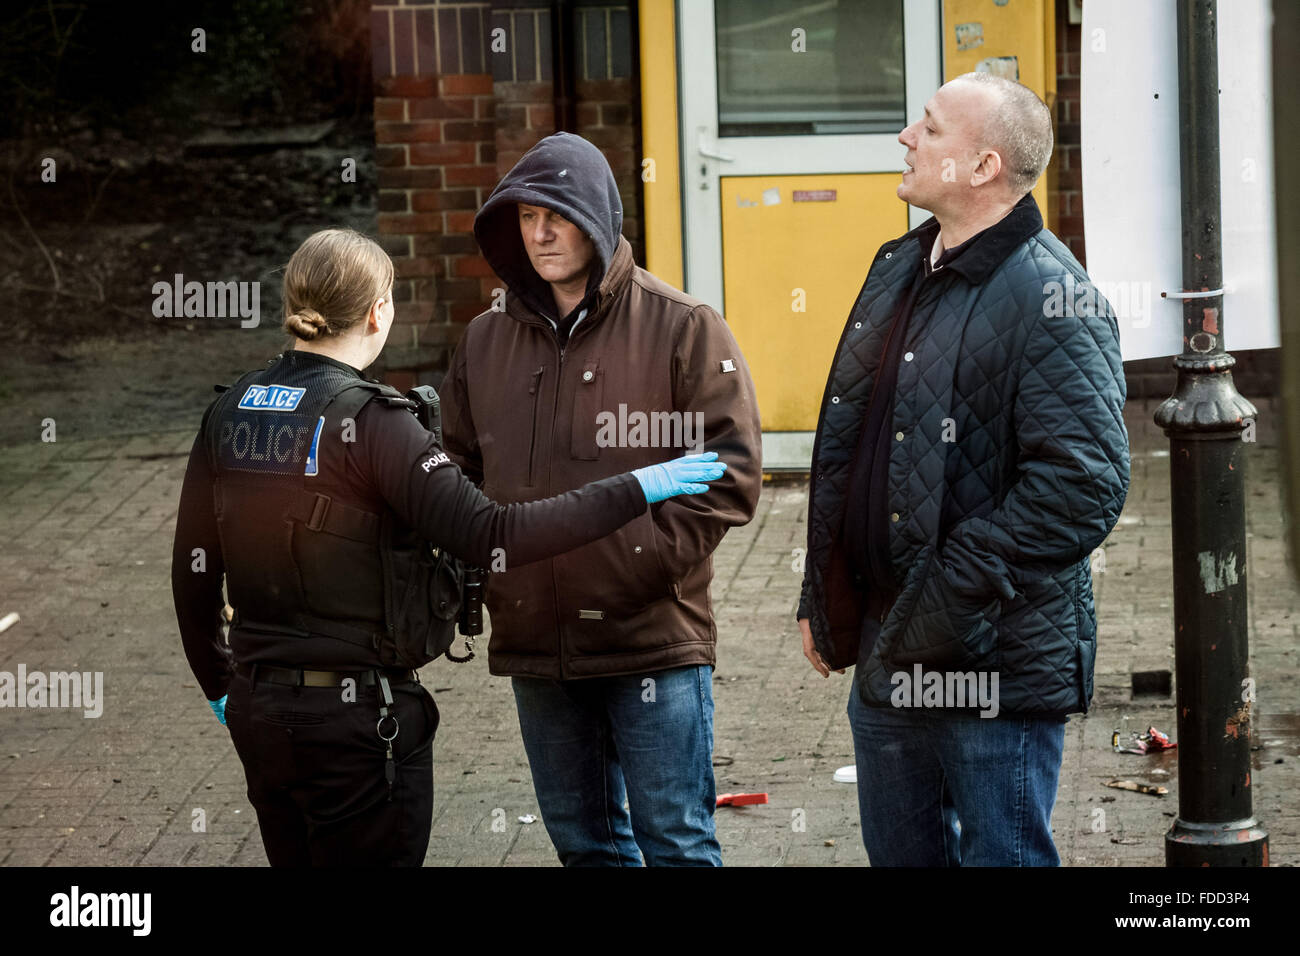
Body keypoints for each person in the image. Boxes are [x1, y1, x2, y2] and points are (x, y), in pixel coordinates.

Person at [170, 227, 727, 867]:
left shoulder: (231, 409)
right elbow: (491, 534)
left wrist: (222, 685)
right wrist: (635, 487)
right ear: (379, 313)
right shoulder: (376, 422)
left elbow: (193, 572)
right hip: (360, 722)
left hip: (260, 712)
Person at [796, 73, 1130, 866]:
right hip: (887, 646)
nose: (908, 138)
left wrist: (950, 592)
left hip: (992, 659)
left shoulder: (1054, 296)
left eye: (931, 127)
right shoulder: (902, 267)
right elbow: (855, 442)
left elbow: (1084, 484)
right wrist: (825, 588)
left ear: (983, 167)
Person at [438, 132, 762, 866]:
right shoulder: (486, 341)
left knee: (675, 842)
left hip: (651, 637)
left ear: (598, 217)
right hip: (534, 642)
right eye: (524, 217)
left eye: (557, 214)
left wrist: (638, 566)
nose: (542, 232)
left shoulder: (682, 326)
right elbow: (451, 472)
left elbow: (731, 470)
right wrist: (489, 577)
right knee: (585, 845)